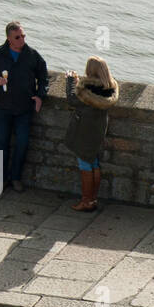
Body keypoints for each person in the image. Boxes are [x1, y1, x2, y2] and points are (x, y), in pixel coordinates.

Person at [0, 21, 48, 193]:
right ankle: (2, 179)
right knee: (2, 143)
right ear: (9, 38)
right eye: (17, 37)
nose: (22, 39)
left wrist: (40, 96)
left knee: (23, 143)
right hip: (3, 107)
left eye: (23, 36)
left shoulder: (32, 55)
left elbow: (44, 77)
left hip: (24, 108)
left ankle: (16, 177)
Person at [65, 56, 118, 211]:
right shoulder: (110, 88)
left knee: (84, 163)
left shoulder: (86, 90)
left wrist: (70, 81)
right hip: (98, 129)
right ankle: (93, 199)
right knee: (93, 162)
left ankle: (86, 201)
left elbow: (72, 100)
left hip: (85, 129)